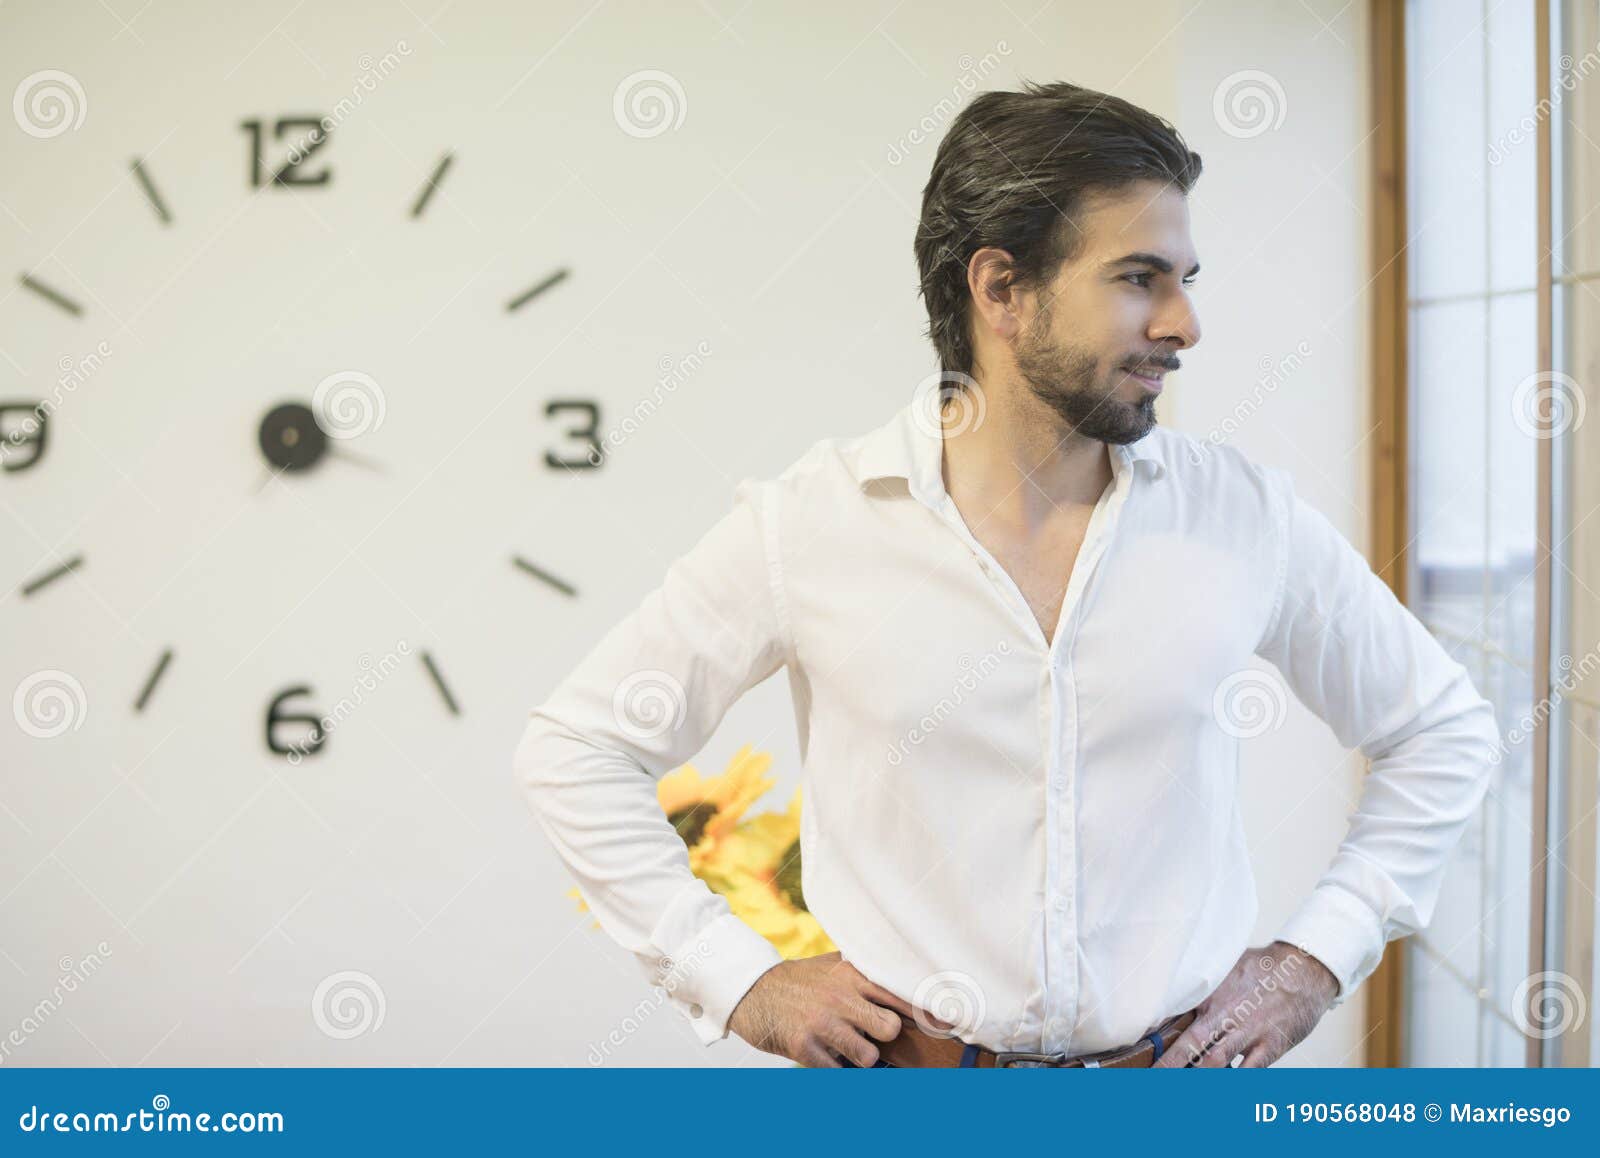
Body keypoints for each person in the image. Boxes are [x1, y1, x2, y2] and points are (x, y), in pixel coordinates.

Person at [513, 79, 1499, 1069]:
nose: (1183, 324)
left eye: (1185, 280)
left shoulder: (1239, 515)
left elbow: (1441, 730)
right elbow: (576, 748)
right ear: (1000, 290)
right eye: (1139, 279)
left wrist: (1312, 963)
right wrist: (736, 978)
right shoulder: (810, 523)